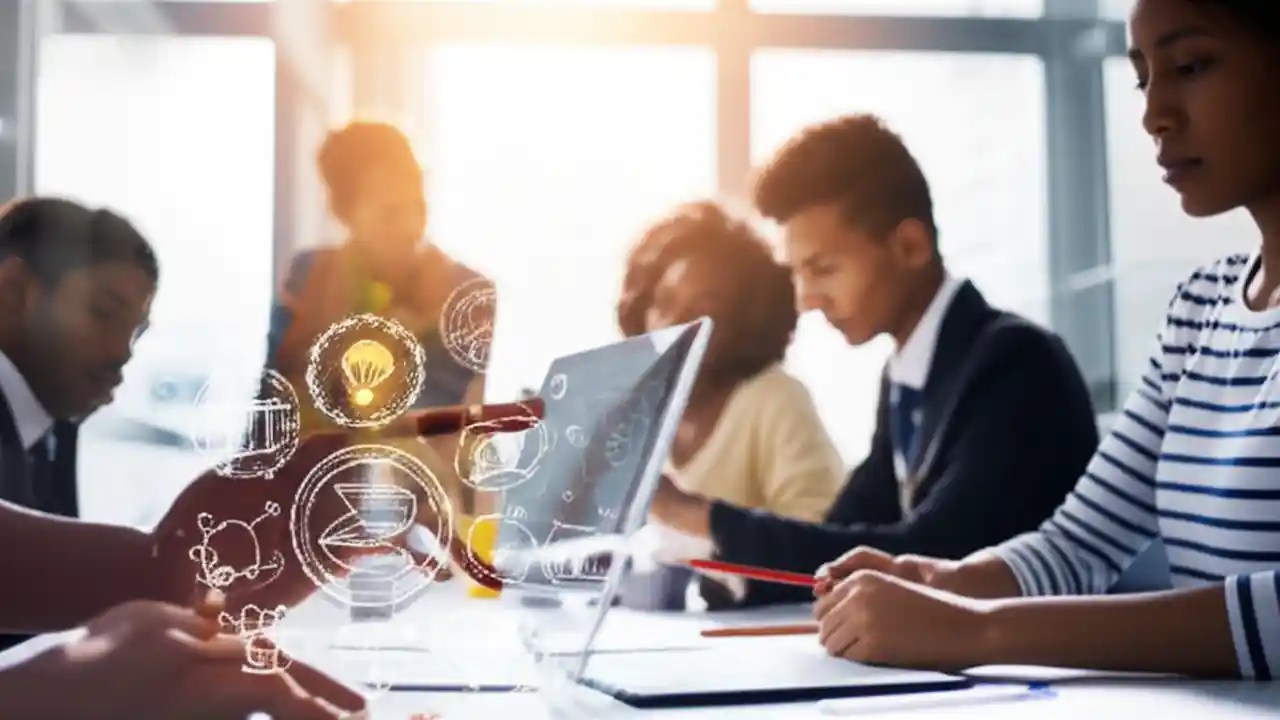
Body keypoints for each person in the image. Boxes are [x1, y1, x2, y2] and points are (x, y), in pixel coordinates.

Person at [811, 0, 1280, 680]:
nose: (1154, 114)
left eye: (1191, 65)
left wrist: (978, 630)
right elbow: (1080, 542)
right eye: (1144, 77)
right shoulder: (1201, 307)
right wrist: (939, 584)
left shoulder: (1008, 357)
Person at [648, 114, 1100, 607]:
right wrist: (711, 560)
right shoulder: (908, 374)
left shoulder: (1016, 363)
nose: (806, 299)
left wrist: (701, 516)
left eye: (823, 269)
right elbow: (842, 540)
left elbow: (933, 557)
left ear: (910, 246)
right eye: (797, 273)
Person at [0, 196, 366, 717]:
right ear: (14, 292)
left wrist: (180, 579)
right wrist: (171, 569)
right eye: (102, 313)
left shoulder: (51, 426)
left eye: (137, 332)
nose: (125, 351)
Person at [617, 201, 843, 608]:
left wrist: (680, 509)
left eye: (703, 311)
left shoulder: (775, 400)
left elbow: (826, 549)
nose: (672, 325)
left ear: (747, 321)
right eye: (663, 302)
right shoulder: (640, 410)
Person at [267, 120, 494, 515]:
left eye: (417, 207)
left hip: (430, 508)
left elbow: (458, 428)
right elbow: (273, 410)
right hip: (309, 503)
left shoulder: (463, 295)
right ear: (344, 213)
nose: (410, 227)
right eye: (389, 214)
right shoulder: (310, 280)